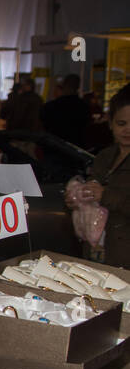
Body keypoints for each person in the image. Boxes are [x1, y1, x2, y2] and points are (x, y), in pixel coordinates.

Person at [66, 86, 130, 266]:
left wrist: (106, 195)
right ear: (110, 123)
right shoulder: (104, 157)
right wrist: (78, 199)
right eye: (121, 123)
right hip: (97, 253)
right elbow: (91, 197)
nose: (127, 130)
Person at [41, 74, 90, 146]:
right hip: (76, 147)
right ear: (78, 87)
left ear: (64, 86)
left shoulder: (51, 106)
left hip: (54, 145)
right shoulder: (83, 106)